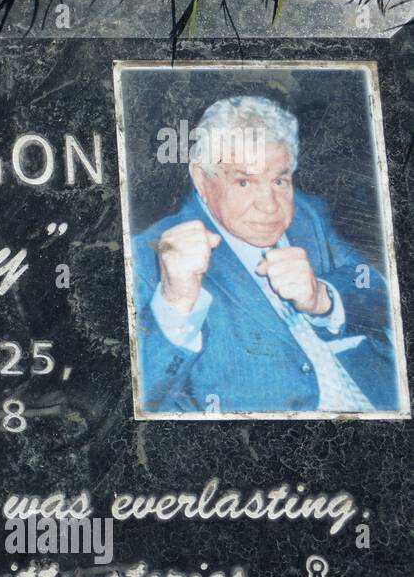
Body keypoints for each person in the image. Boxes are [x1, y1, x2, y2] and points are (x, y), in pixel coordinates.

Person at [131, 95, 400, 414]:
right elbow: (144, 400)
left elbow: (378, 291)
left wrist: (323, 298)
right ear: (202, 178)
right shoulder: (150, 252)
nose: (270, 205)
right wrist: (175, 303)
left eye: (279, 180)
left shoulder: (308, 214)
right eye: (244, 181)